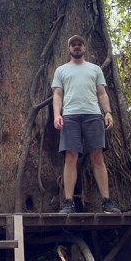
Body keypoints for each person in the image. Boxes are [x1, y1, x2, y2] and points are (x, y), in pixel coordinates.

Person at [51, 34, 121, 214]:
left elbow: (102, 93)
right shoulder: (61, 70)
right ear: (69, 49)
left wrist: (108, 113)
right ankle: (68, 202)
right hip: (71, 116)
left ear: (84, 48)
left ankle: (106, 201)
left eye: (79, 44)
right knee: (70, 157)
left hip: (92, 115)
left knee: (97, 157)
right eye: (73, 44)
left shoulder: (95, 69)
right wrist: (57, 115)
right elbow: (57, 94)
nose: (76, 47)